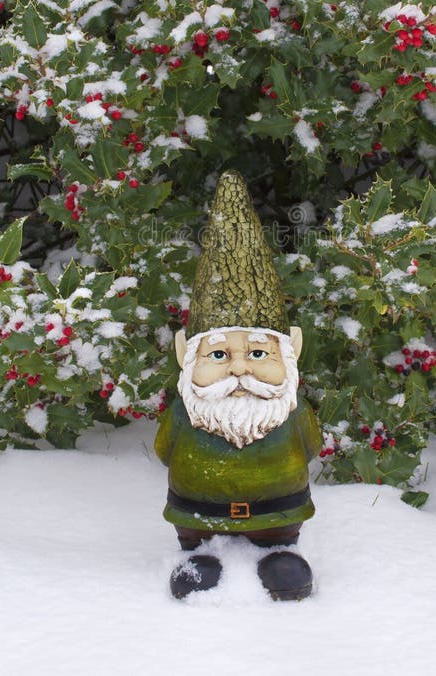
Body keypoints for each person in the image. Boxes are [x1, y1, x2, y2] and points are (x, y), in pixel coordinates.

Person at [155, 171, 321, 600]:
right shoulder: (183, 413)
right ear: (184, 356)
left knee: (280, 549)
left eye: (259, 353)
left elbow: (309, 445)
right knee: (197, 542)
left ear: (292, 351)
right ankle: (198, 553)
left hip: (279, 511)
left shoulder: (292, 412)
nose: (239, 370)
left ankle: (279, 551)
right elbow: (164, 448)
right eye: (219, 355)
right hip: (196, 512)